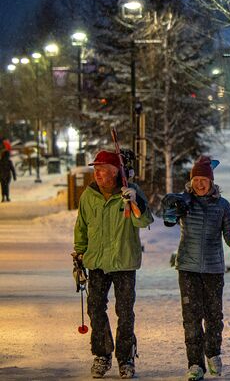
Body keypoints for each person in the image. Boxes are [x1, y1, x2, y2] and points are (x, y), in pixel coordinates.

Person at [73, 150, 153, 379]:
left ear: (115, 171)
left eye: (102, 170)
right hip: (97, 262)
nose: (97, 174)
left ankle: (126, 358)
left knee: (125, 312)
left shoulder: (130, 191)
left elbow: (145, 221)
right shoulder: (89, 195)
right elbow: (81, 226)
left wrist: (135, 202)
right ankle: (102, 354)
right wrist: (79, 253)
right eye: (96, 170)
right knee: (95, 308)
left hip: (123, 261)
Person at [162, 156, 230, 381]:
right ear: (191, 181)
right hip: (188, 267)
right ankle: (195, 364)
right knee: (191, 317)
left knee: (214, 316)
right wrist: (171, 205)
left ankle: (213, 353)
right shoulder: (185, 202)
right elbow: (169, 217)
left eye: (204, 180)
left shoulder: (223, 205)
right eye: (196, 180)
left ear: (212, 182)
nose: (200, 184)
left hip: (213, 268)